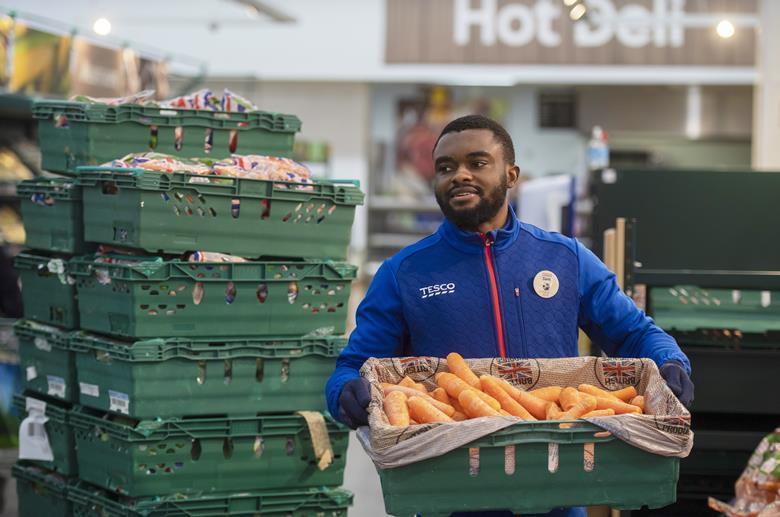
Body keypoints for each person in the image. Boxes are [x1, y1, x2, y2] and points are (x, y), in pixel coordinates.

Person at [325, 115, 694, 517]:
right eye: (446, 167)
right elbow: (353, 366)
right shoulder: (404, 274)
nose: (459, 175)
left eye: (477, 162)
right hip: (450, 496)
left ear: (511, 174)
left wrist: (671, 362)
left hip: (557, 492)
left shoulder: (564, 259)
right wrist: (346, 393)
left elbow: (635, 333)